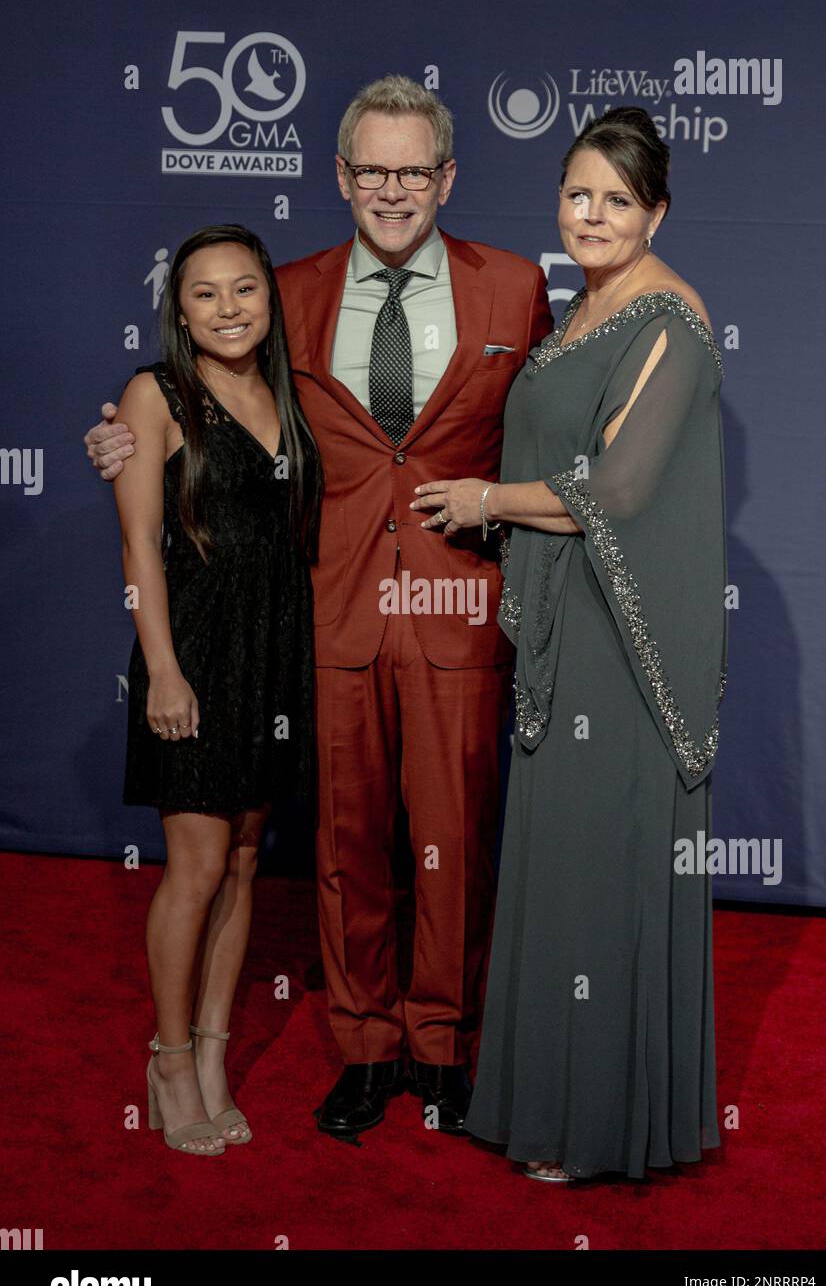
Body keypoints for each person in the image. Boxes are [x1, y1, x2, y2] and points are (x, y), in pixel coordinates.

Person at [85, 76, 553, 1139]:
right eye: (372, 171)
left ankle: (440, 1043)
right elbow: (199, 402)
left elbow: (553, 430)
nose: (392, 191)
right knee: (342, 848)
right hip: (324, 617)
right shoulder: (283, 290)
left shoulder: (514, 288)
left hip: (455, 606)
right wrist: (114, 438)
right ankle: (365, 1044)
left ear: (447, 177)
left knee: (451, 840)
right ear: (341, 177)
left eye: (413, 170)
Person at [410, 107, 727, 1181]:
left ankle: (596, 1130)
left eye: (617, 200)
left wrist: (486, 498)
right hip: (561, 625)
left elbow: (622, 487)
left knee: (598, 869)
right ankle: (541, 1101)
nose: (591, 215)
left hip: (618, 638)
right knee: (557, 868)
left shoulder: (668, 322)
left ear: (657, 212)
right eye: (577, 195)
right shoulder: (582, 308)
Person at [112, 223, 321, 1155]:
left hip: (274, 654)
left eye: (245, 289)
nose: (229, 308)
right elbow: (139, 549)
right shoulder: (153, 396)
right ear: (178, 307)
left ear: (270, 300)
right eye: (206, 293)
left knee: (242, 859)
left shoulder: (289, 392)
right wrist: (162, 668)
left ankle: (212, 1056)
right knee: (195, 866)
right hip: (194, 651)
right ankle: (165, 1060)